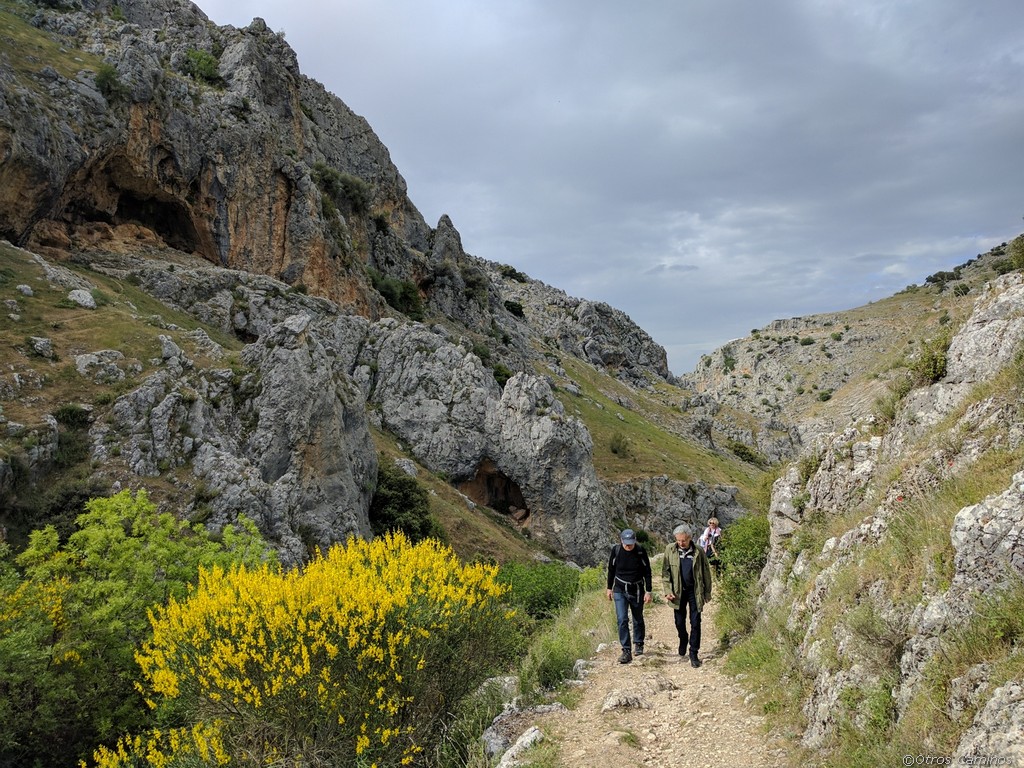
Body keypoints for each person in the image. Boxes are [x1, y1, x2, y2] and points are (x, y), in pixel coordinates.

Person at [662, 523, 713, 668]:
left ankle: (694, 653)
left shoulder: (698, 551)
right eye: (678, 540)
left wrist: (707, 592)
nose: (681, 543)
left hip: (695, 591)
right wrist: (668, 590)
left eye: (683, 540)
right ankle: (683, 638)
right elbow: (665, 573)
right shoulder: (670, 550)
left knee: (696, 622)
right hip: (677, 592)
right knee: (679, 622)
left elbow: (706, 573)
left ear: (690, 538)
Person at [606, 528, 652, 664]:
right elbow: (611, 570)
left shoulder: (640, 551)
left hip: (637, 589)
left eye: (630, 543)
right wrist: (609, 588)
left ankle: (638, 643)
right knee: (622, 619)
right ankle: (626, 650)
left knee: (637, 618)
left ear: (635, 541)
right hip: (620, 589)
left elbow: (647, 571)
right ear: (621, 540)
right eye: (626, 543)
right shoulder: (616, 551)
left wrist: (649, 591)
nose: (628, 546)